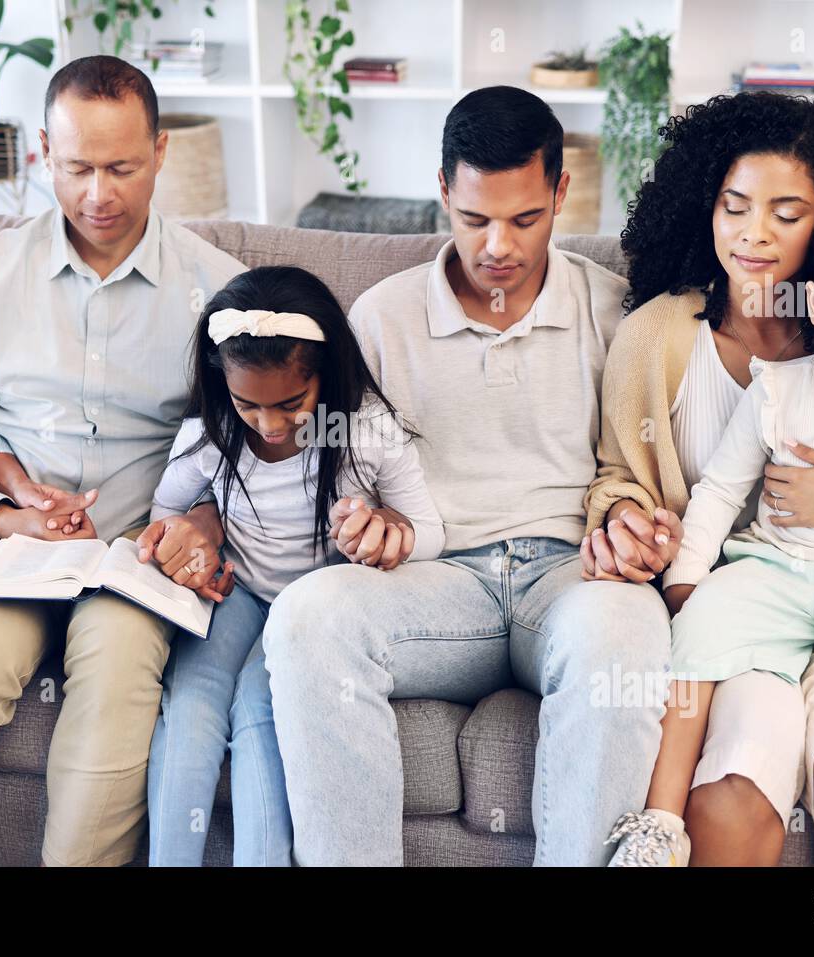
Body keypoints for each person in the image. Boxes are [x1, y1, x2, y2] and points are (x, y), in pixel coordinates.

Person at [261, 86, 671, 866]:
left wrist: (635, 525)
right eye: (475, 218)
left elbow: (637, 468)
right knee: (308, 616)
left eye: (525, 219)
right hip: (435, 582)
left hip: (568, 575)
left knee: (624, 631)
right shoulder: (380, 318)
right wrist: (365, 522)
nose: (498, 247)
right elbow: (346, 475)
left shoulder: (615, 310)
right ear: (443, 190)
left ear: (561, 192)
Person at [0, 55, 245, 867]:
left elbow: (245, 450)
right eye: (75, 168)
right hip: (7, 539)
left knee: (114, 691)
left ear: (161, 153)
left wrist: (201, 523)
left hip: (135, 547)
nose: (97, 194)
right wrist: (6, 515)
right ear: (41, 152)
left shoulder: (222, 295)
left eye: (121, 167)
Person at [586, 93, 814, 866]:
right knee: (741, 780)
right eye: (734, 206)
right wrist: (625, 519)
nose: (753, 234)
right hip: (735, 615)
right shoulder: (657, 335)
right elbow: (617, 476)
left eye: (786, 213)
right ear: (706, 207)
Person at [145, 266, 444, 865]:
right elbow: (164, 515)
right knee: (190, 702)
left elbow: (432, 531)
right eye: (246, 404)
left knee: (260, 709)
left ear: (325, 378)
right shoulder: (211, 434)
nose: (270, 425)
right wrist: (192, 541)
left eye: (291, 403)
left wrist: (393, 531)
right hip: (237, 596)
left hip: (309, 617)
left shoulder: (365, 433)